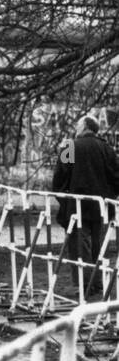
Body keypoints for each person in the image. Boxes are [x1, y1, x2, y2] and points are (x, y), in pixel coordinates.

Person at [52, 115, 119, 299]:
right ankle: (98, 283)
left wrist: (65, 201)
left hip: (77, 206)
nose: (75, 127)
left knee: (80, 245)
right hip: (102, 207)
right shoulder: (107, 148)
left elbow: (58, 178)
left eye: (77, 124)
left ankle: (85, 285)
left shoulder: (70, 146)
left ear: (84, 127)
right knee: (99, 245)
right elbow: (116, 177)